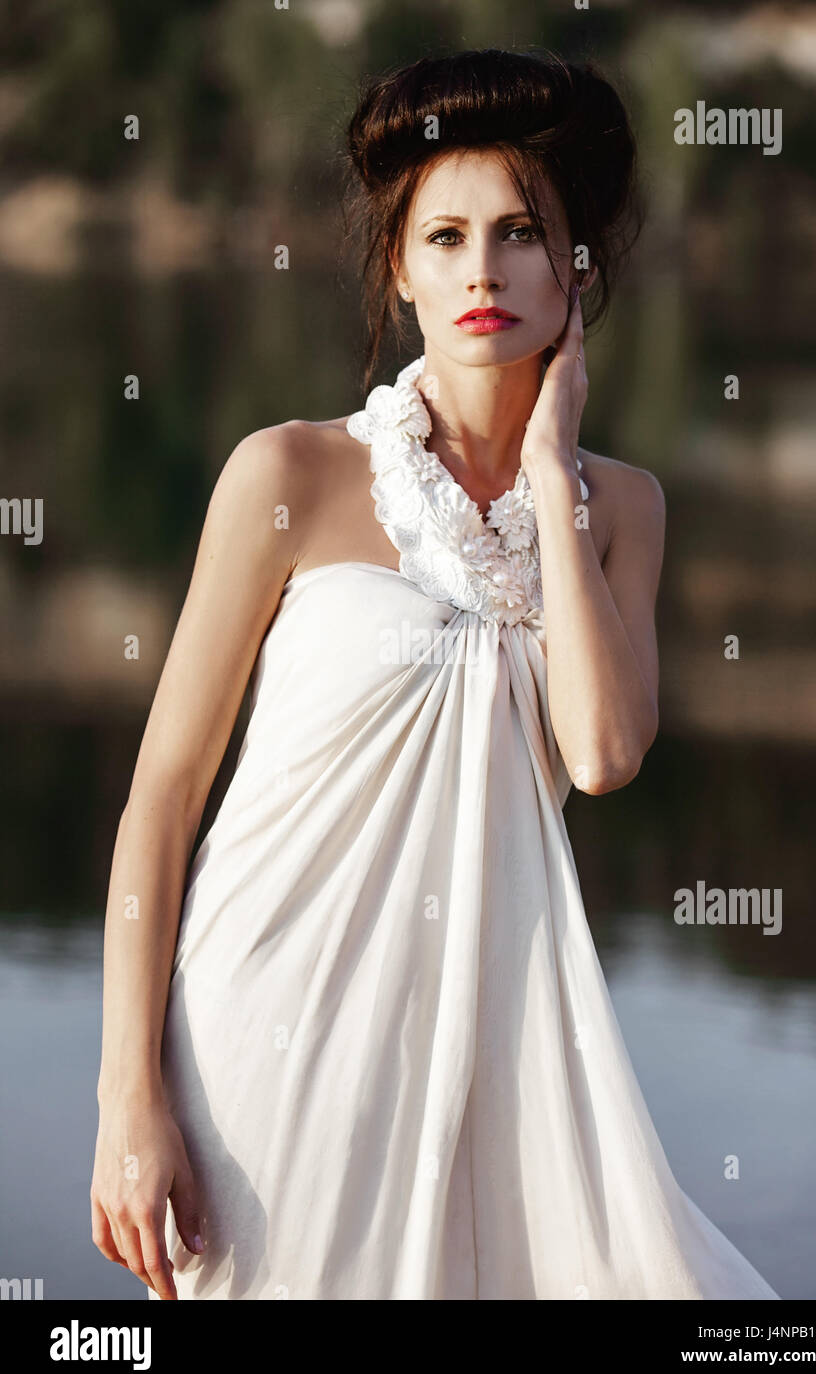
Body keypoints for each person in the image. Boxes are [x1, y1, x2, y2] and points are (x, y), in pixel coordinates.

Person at [91, 48, 780, 1300]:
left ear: (572, 268)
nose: (481, 269)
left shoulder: (621, 506)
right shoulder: (287, 475)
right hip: (268, 1035)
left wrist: (555, 466)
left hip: (496, 1053)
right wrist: (126, 1098)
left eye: (521, 233)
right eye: (445, 235)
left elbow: (604, 753)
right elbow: (163, 795)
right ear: (398, 267)